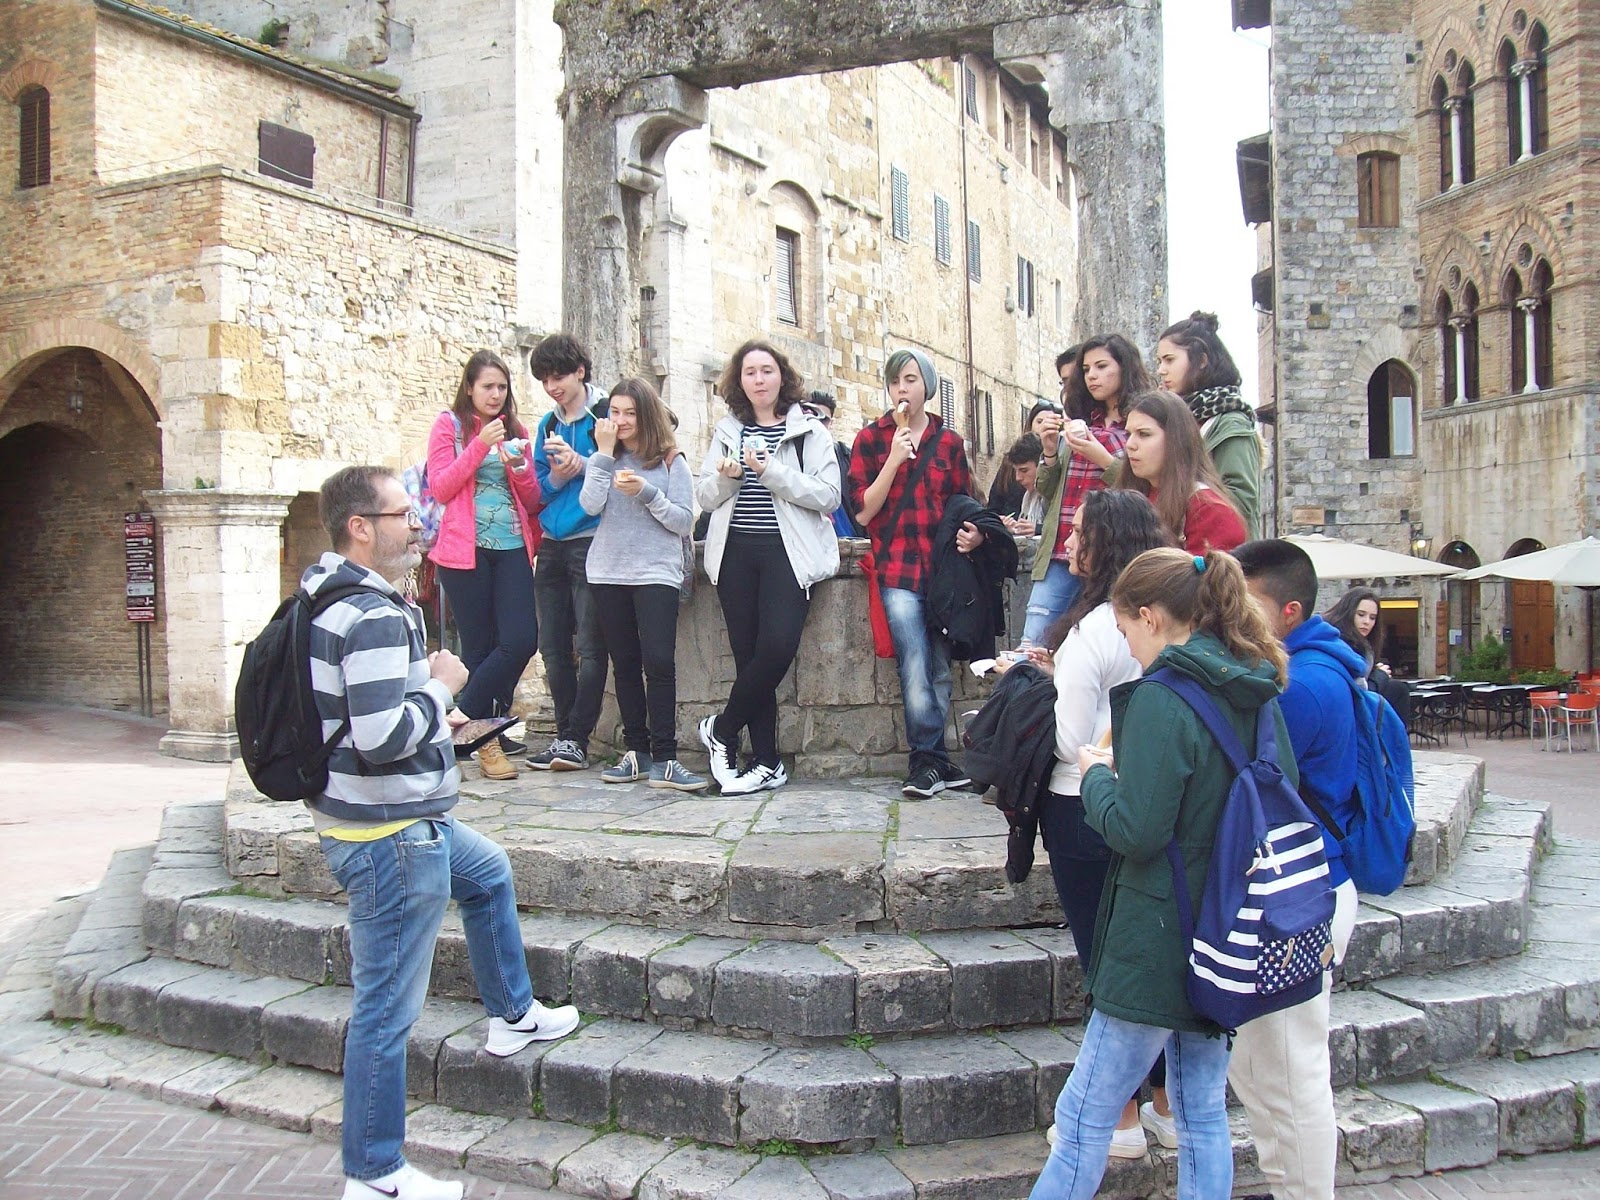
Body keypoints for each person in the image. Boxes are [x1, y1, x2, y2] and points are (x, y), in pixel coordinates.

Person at [305, 466, 578, 1200]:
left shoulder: (325, 597)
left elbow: (366, 715)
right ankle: (375, 1176)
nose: (419, 523)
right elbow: (384, 734)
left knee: (487, 873)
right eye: (403, 513)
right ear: (361, 527)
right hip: (391, 836)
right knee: (386, 1012)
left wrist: (425, 699)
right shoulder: (371, 613)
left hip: (383, 817)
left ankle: (514, 1014)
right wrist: (442, 688)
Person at [1032, 547, 1293, 1200]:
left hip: (1156, 940)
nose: (1129, 648)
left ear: (1149, 617)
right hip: (1225, 931)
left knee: (1083, 1115)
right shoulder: (1256, 688)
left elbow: (1136, 830)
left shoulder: (1161, 699)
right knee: (1202, 1113)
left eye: (1125, 632)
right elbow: (1283, 788)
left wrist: (1094, 776)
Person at [1025, 490, 1175, 1158]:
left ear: (1103, 542)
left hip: (1080, 803)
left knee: (1104, 961)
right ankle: (1166, 1105)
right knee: (1141, 957)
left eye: (1079, 531)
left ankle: (1117, 1120)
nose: (1068, 542)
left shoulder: (1093, 631)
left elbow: (1067, 741)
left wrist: (1045, 686)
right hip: (1147, 801)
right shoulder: (1164, 621)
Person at [1231, 539, 1365, 1200]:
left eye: (1246, 602)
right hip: (1307, 889)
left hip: (1302, 898)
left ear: (1288, 609)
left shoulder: (1302, 683)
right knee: (1263, 1069)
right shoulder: (1306, 666)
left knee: (1291, 1069)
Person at [696, 341, 841, 794]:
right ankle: (767, 762)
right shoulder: (725, 431)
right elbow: (704, 497)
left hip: (787, 553)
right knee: (748, 659)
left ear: (783, 377)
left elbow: (828, 496)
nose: (759, 379)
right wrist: (728, 476)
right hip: (735, 550)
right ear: (739, 381)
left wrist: (769, 471)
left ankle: (720, 729)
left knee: (776, 649)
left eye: (767, 370)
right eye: (750, 372)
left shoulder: (810, 432)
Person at [851, 347, 978, 799]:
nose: (901, 390)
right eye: (894, 382)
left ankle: (936, 762)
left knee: (941, 665)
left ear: (927, 384)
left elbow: (965, 504)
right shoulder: (870, 439)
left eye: (909, 379)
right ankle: (924, 759)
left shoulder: (950, 443)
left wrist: (976, 536)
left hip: (943, 571)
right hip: (898, 569)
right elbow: (862, 513)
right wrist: (892, 460)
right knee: (914, 660)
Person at [579, 378, 705, 791]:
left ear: (646, 414)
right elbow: (589, 506)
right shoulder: (604, 458)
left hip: (655, 571)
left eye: (630, 412)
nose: (621, 420)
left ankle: (666, 758)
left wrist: (647, 491)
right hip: (607, 571)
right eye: (614, 411)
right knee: (625, 664)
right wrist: (599, 454)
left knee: (659, 663)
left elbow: (684, 521)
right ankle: (636, 752)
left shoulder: (671, 460)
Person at [426, 350, 542, 781]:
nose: (496, 395)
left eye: (502, 387)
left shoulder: (517, 431)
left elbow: (531, 500)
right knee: (478, 650)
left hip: (512, 545)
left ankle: (460, 718)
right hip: (463, 551)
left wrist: (520, 468)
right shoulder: (450, 426)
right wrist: (479, 445)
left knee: (520, 640)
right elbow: (440, 486)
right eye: (487, 387)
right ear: (470, 388)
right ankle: (488, 746)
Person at [1022, 336, 1149, 647]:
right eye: (1086, 368)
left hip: (1111, 549)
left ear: (1125, 368)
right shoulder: (1078, 419)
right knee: (1033, 639)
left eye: (1102, 366)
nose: (1092, 375)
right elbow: (1049, 492)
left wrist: (1099, 456)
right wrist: (1050, 451)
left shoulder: (1141, 421)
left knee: (1103, 642)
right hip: (1062, 546)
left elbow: (1144, 487)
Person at [527, 333, 609, 772]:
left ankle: (577, 738)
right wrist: (560, 477)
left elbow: (624, 471)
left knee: (592, 646)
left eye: (558, 375)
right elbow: (537, 489)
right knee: (553, 645)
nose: (552, 385)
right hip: (552, 543)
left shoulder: (605, 415)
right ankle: (565, 736)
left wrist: (582, 464)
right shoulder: (547, 425)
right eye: (544, 379)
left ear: (580, 370)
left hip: (592, 538)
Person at [1154, 311, 1263, 539]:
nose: (1161, 370)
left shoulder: (1231, 423)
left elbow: (1240, 502)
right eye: (1159, 361)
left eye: (1170, 360)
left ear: (1201, 361)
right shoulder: (1178, 415)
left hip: (1220, 554)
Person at [1113, 389, 1249, 556]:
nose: (1130, 444)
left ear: (1175, 440)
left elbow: (1207, 580)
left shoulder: (1210, 510)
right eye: (1129, 434)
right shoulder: (1140, 494)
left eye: (1144, 434)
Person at [1325, 585, 1414, 728]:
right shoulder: (1341, 644)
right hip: (1342, 713)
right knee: (1399, 690)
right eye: (1361, 615)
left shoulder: (1365, 648)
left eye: (1372, 618)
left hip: (1353, 712)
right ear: (1348, 612)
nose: (1367, 621)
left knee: (1398, 689)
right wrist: (1380, 676)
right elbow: (1358, 693)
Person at [802, 389, 863, 537]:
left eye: (824, 419)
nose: (817, 424)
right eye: (812, 417)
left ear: (831, 423)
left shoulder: (846, 456)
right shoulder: (791, 453)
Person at [987, 433, 1044, 533]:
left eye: (1024, 470)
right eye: (1015, 471)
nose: (1018, 478)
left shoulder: (1054, 495)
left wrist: (1038, 529)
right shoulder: (1028, 496)